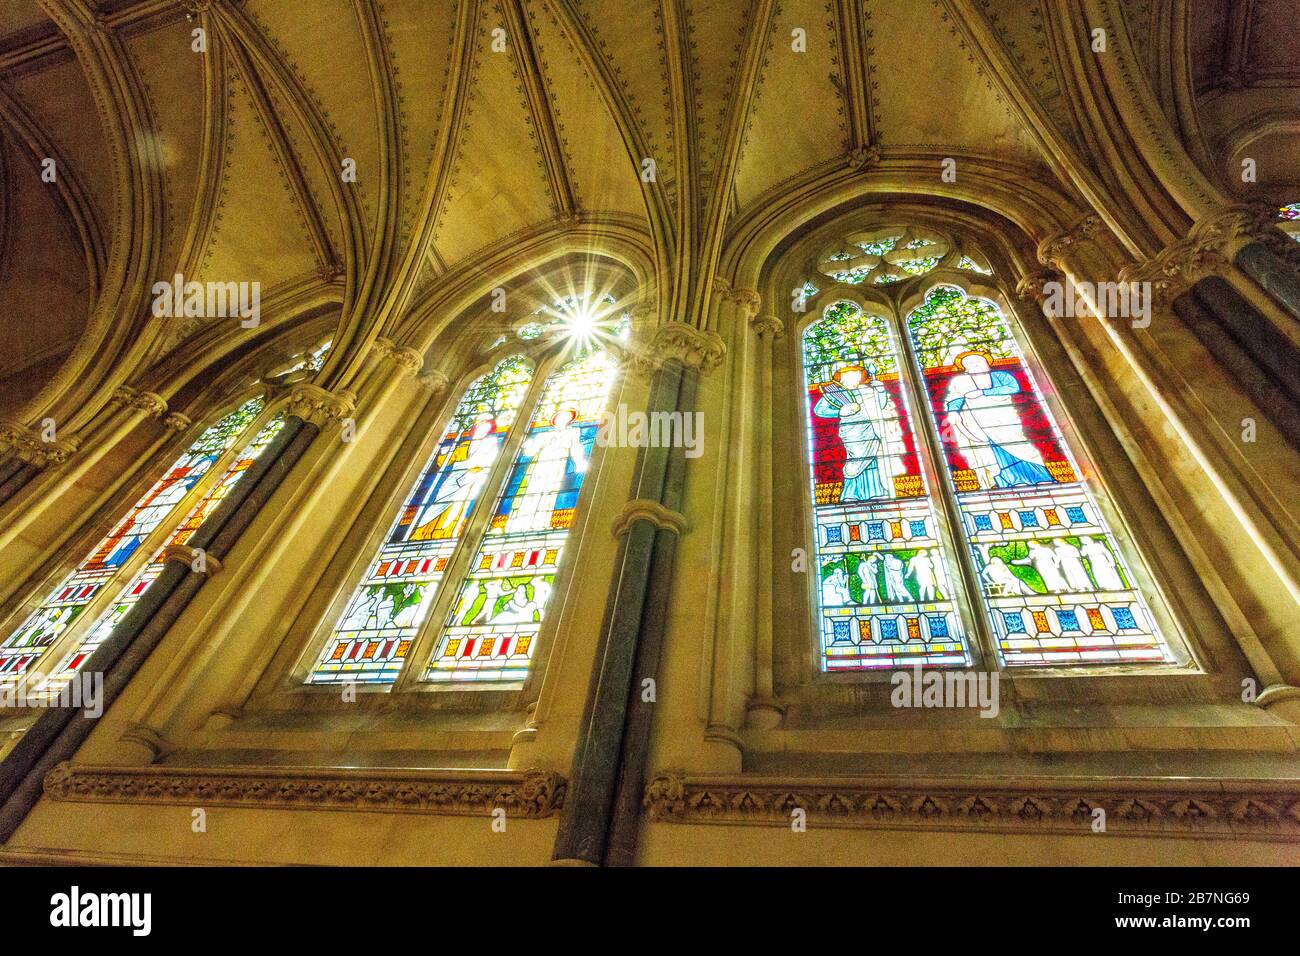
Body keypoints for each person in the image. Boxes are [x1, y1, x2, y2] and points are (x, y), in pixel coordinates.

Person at [943, 350, 1053, 489]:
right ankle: (1009, 482)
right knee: (991, 452)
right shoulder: (961, 382)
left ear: (987, 363)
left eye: (978, 361)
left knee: (1019, 445)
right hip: (979, 423)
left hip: (1004, 419)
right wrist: (953, 412)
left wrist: (983, 392)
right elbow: (956, 397)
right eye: (970, 363)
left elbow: (1013, 387)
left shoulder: (1000, 376)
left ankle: (1040, 477)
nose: (975, 365)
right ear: (966, 368)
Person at [814, 365, 900, 502]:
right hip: (851, 432)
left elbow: (880, 405)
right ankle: (850, 494)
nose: (857, 379)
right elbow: (819, 410)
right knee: (855, 461)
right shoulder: (835, 391)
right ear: (844, 377)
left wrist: (881, 391)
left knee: (871, 460)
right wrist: (839, 412)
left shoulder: (865, 390)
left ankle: (875, 492)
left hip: (869, 429)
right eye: (854, 376)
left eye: (858, 376)